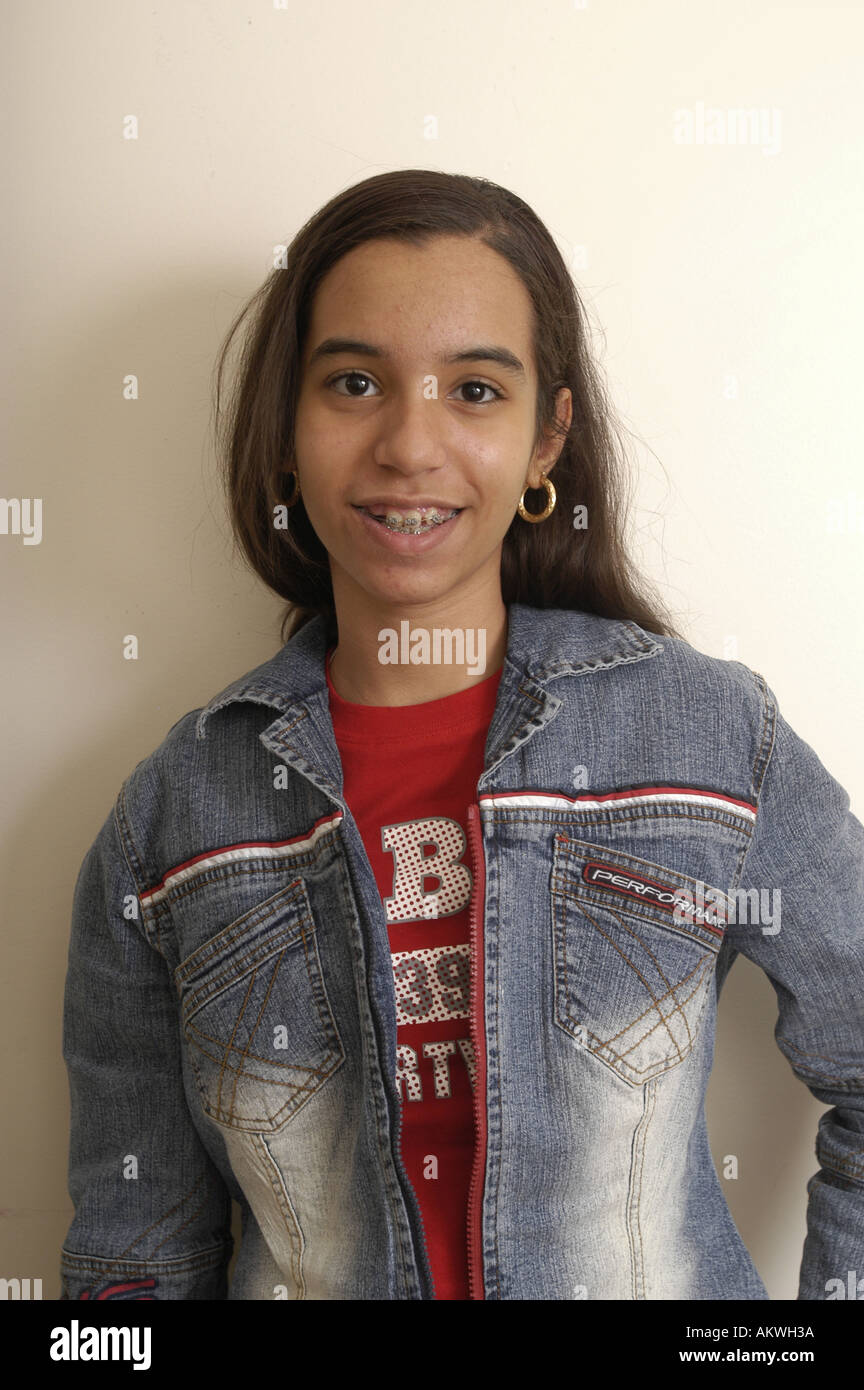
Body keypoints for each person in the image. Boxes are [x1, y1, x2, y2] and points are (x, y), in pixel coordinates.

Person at [60, 169, 864, 1301]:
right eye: (353, 382)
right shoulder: (169, 824)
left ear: (549, 440)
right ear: (286, 428)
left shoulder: (713, 738)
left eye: (476, 390)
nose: (409, 444)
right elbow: (133, 1258)